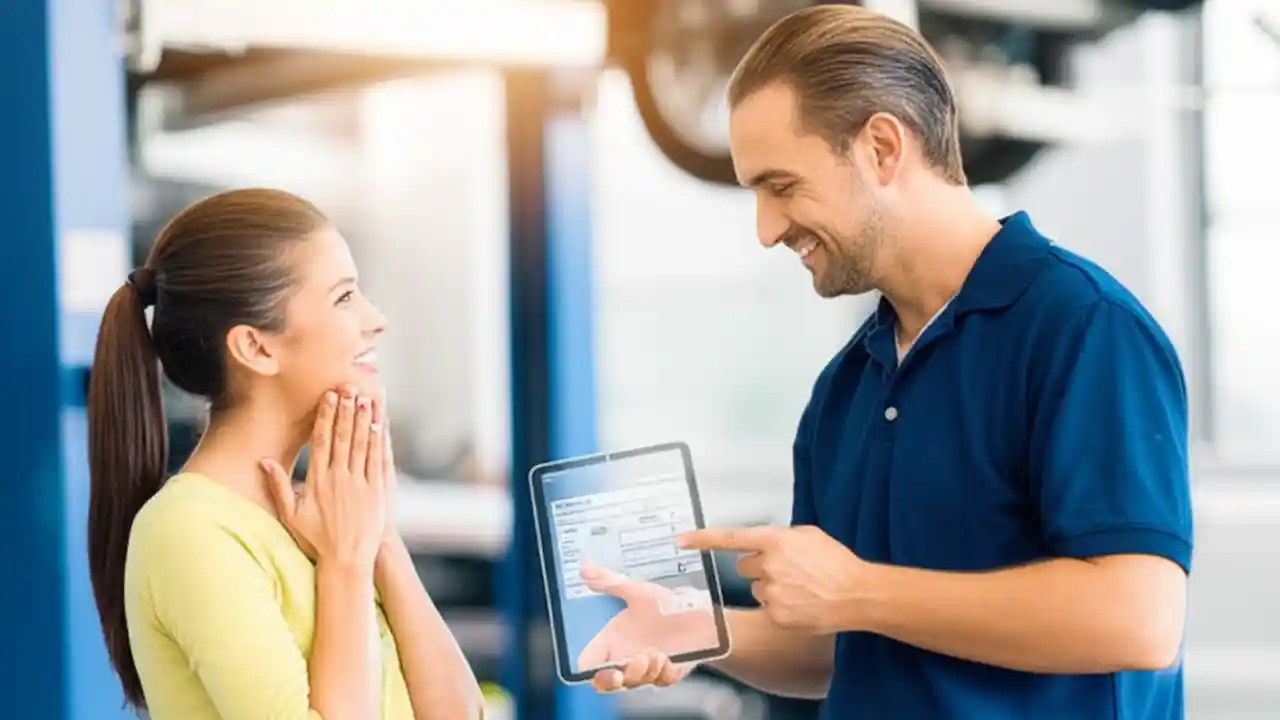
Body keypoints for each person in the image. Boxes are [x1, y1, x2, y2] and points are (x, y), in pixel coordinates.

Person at [580, 6, 1193, 719]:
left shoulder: (1083, 328)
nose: (766, 230)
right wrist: (692, 629)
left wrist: (857, 589)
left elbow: (1137, 619)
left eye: (782, 186)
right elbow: (833, 645)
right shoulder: (847, 385)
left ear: (880, 148)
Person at [86, 188, 485, 719]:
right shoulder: (188, 530)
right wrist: (344, 565)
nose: (376, 319)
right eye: (344, 297)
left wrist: (380, 539)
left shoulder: (335, 521)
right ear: (256, 347)